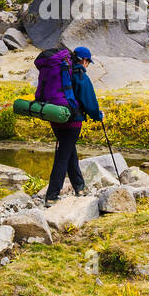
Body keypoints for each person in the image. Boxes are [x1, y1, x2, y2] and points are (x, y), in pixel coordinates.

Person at [33, 45, 102, 206]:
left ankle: (80, 187)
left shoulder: (62, 69)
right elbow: (89, 101)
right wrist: (98, 115)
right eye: (88, 62)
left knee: (69, 151)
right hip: (72, 120)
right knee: (63, 156)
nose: (87, 65)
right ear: (84, 60)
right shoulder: (79, 74)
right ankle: (51, 195)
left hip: (55, 116)